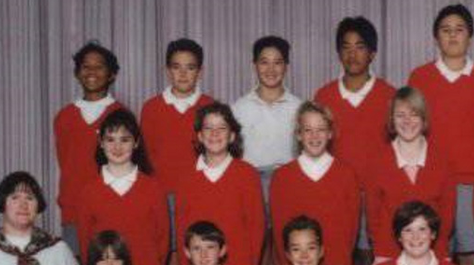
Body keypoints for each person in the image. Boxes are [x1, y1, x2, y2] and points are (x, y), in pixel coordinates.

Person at [407, 3, 474, 265]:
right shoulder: (420, 78)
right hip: (431, 181)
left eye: (459, 30)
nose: (452, 36)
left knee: (470, 257)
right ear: (436, 37)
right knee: (432, 259)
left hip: (472, 184)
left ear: (470, 37)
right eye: (445, 31)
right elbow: (410, 131)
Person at [77, 109, 170, 265]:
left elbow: (162, 244)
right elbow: (86, 248)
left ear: (136, 143)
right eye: (110, 140)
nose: (117, 147)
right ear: (100, 142)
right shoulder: (89, 192)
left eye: (125, 140)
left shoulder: (153, 189)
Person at [268, 101, 361, 265]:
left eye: (321, 129)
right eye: (308, 130)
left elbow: (351, 229)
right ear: (299, 135)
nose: (314, 136)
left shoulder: (347, 175)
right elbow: (278, 231)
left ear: (330, 133)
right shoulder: (283, 177)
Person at [171, 102, 265, 265]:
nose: (215, 134)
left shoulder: (247, 174)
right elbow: (181, 228)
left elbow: (257, 227)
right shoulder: (185, 178)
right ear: (199, 135)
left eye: (221, 128)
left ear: (232, 136)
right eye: (208, 128)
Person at [364, 86, 456, 261]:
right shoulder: (377, 161)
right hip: (388, 255)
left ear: (423, 118)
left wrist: (438, 255)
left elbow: (447, 216)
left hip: (433, 255)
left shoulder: (442, 160)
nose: (407, 121)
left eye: (414, 114)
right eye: (400, 115)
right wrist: (383, 255)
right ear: (392, 120)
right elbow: (372, 217)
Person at [314, 16, 397, 192]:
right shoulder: (323, 96)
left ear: (372, 53)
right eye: (346, 48)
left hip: (380, 192)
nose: (352, 55)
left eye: (360, 47)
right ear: (338, 53)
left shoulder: (389, 95)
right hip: (335, 191)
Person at [53, 42, 125, 246]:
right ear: (77, 73)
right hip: (74, 211)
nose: (92, 72)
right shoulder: (64, 117)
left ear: (112, 74)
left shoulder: (121, 114)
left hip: (112, 209)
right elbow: (65, 164)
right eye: (86, 66)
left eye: (99, 66)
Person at [232, 36, 304, 204]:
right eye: (264, 62)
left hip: (290, 186)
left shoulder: (300, 108)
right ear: (254, 65)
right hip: (250, 186)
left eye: (277, 62)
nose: (271, 69)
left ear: (286, 66)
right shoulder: (237, 109)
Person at [140, 38, 216, 190]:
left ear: (200, 72)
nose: (183, 74)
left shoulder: (211, 107)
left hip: (200, 192)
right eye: (176, 67)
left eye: (190, 68)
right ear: (168, 70)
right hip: (160, 192)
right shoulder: (151, 108)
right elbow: (144, 157)